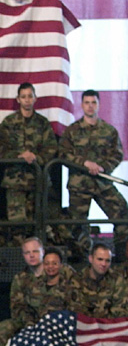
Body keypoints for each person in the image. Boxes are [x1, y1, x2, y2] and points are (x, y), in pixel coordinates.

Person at [59, 91, 126, 251]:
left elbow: (117, 154)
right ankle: (83, 258)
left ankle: (121, 256)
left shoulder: (109, 131)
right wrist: (84, 163)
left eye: (93, 102)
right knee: (77, 226)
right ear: (82, 105)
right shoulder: (72, 131)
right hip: (79, 185)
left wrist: (103, 167)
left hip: (102, 182)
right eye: (87, 102)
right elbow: (63, 154)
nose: (90, 106)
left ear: (99, 105)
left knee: (123, 214)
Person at [0, 83, 58, 232]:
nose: (27, 100)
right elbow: (0, 148)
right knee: (17, 227)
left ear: (35, 98)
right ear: (18, 99)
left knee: (37, 227)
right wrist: (19, 156)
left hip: (38, 181)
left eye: (30, 96)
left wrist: (35, 157)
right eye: (23, 97)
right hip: (15, 182)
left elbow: (51, 148)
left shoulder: (42, 123)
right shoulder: (9, 123)